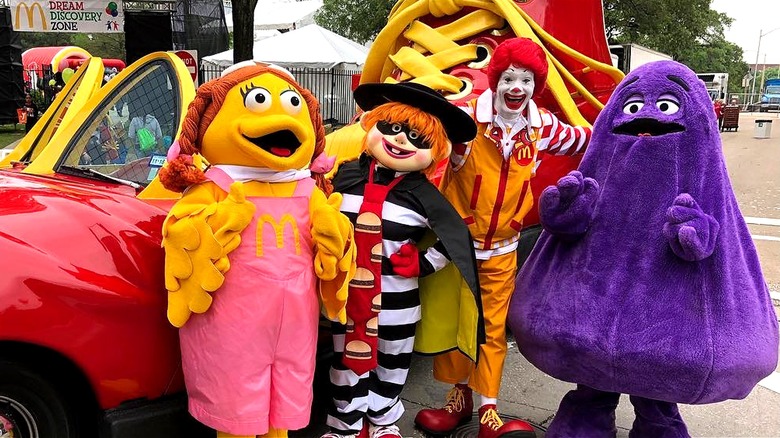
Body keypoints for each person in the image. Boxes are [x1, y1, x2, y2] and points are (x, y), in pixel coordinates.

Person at [509, 60, 778, 438]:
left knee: (657, 377)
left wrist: (695, 233)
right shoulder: (600, 170)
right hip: (594, 297)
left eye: (667, 104)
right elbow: (568, 228)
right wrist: (562, 214)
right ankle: (588, 413)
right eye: (633, 105)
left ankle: (658, 421)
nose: (648, 114)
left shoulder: (698, 173)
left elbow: (716, 231)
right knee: (593, 370)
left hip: (666, 306)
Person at [158, 62, 356, 438]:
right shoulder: (215, 186)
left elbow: (335, 253)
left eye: (293, 106)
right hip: (231, 325)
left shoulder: (307, 189)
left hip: (295, 324)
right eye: (260, 102)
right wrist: (216, 220)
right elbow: (178, 234)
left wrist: (335, 234)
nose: (283, 120)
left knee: (284, 401)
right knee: (236, 406)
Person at [414, 37, 592, 438]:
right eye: (510, 77)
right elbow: (419, 140)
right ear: (495, 79)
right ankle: (457, 400)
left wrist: (629, 135)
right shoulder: (463, 119)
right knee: (456, 323)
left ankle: (489, 412)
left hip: (503, 248)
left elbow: (584, 139)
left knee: (493, 328)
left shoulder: (541, 124)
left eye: (526, 80)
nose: (517, 87)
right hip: (457, 246)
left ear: (536, 84)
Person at [322, 82, 481, 438]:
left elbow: (457, 237)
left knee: (392, 362)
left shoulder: (423, 194)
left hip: (398, 301)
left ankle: (382, 421)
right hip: (347, 298)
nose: (401, 140)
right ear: (372, 123)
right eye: (391, 128)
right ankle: (346, 425)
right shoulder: (344, 174)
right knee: (346, 362)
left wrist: (424, 263)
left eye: (417, 137)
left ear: (435, 150)